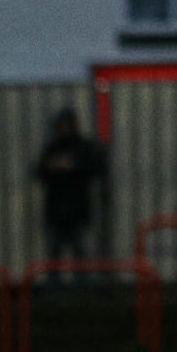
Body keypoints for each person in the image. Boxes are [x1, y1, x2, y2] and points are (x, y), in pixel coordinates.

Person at [32, 106, 106, 273]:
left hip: (77, 209)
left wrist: (72, 166)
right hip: (55, 210)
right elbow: (39, 171)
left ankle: (80, 289)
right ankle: (54, 289)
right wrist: (55, 167)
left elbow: (96, 168)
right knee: (54, 253)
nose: (64, 128)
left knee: (79, 252)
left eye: (67, 124)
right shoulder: (52, 147)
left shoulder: (84, 147)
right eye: (61, 124)